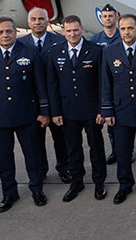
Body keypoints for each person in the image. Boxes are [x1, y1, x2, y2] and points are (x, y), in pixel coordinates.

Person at [0, 16, 50, 212]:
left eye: (9, 31)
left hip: (27, 114)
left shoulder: (30, 52)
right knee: (5, 159)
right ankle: (9, 193)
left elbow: (40, 85)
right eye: (0, 32)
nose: (5, 35)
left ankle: (36, 189)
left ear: (16, 32)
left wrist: (44, 112)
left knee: (32, 156)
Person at [46, 15, 107, 203]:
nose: (72, 34)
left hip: (91, 111)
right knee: (72, 149)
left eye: (76, 30)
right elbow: (52, 85)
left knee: (96, 148)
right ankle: (76, 181)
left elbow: (102, 83)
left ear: (82, 29)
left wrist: (101, 110)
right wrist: (55, 112)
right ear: (63, 31)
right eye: (69, 30)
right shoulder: (55, 52)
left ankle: (99, 182)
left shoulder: (96, 51)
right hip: (67, 111)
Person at [100, 14, 136, 205]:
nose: (126, 32)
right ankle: (125, 185)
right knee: (123, 153)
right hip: (121, 112)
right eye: (123, 28)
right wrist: (107, 111)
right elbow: (105, 83)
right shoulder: (109, 52)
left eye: (130, 28)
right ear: (119, 30)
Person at [17, 7, 70, 184]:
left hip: (57, 100)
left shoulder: (61, 41)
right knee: (35, 141)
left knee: (61, 139)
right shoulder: (21, 44)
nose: (37, 22)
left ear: (48, 21)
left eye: (41, 19)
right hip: (32, 102)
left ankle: (64, 167)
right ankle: (40, 170)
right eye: (34, 19)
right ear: (28, 22)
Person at [89, 4, 127, 165]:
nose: (108, 19)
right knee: (110, 122)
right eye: (105, 16)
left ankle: (127, 150)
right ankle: (115, 151)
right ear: (101, 18)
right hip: (102, 83)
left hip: (120, 83)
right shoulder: (95, 39)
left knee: (122, 121)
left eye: (110, 16)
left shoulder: (123, 36)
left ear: (116, 17)